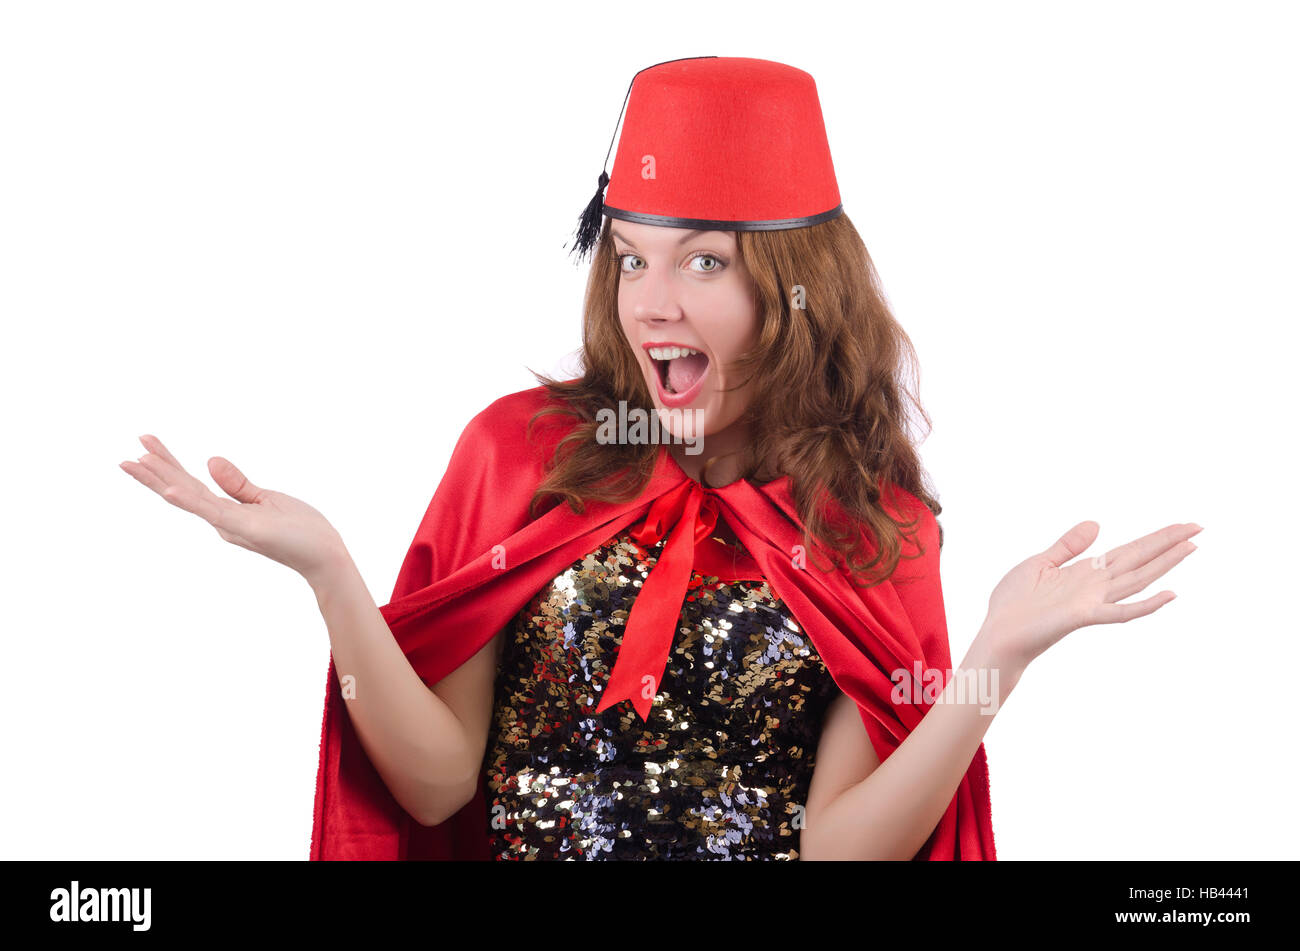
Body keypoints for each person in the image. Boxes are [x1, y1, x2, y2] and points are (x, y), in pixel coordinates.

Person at [119, 57, 1200, 860]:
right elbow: (439, 784)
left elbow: (842, 851)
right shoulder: (521, 453)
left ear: (795, 291)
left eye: (703, 262)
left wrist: (991, 663)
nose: (651, 301)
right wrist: (331, 576)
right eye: (630, 256)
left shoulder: (870, 522)